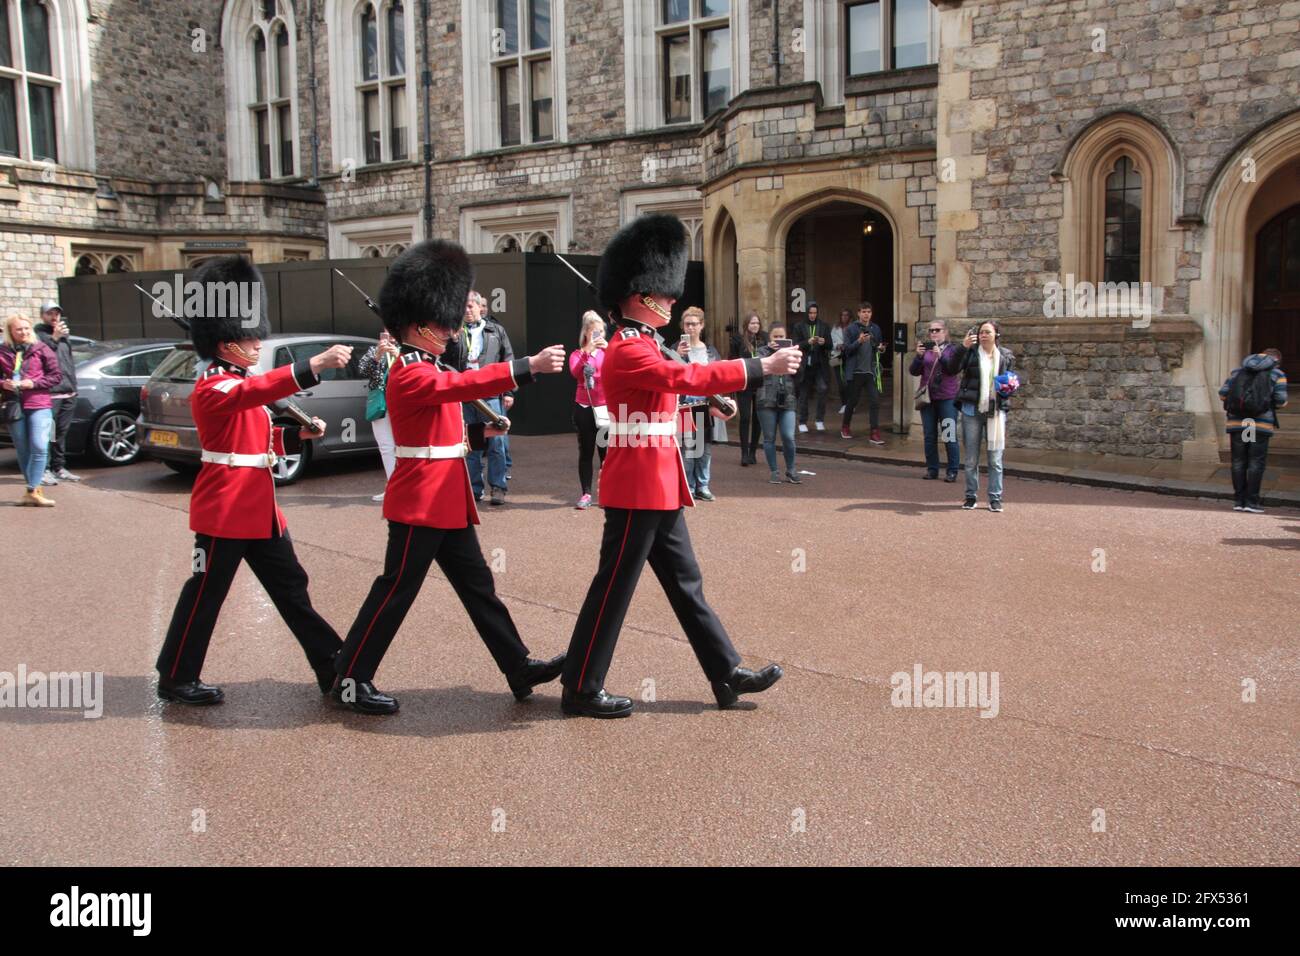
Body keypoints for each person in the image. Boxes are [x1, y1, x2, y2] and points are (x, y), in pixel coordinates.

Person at [559, 213, 800, 719]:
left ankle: (725, 671)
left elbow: (668, 388)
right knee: (614, 588)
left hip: (660, 483)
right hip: (636, 485)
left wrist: (703, 401)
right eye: (666, 295)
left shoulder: (642, 343)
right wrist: (759, 368)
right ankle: (580, 687)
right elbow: (681, 375)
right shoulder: (625, 349)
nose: (673, 300)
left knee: (686, 582)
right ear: (645, 295)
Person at [332, 241, 567, 715]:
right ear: (421, 325)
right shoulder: (407, 372)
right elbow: (461, 385)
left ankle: (518, 666)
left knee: (479, 589)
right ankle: (350, 679)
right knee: (395, 591)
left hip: (447, 498)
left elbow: (457, 390)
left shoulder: (429, 362)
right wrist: (527, 367)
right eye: (444, 323)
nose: (452, 329)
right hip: (421, 499)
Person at [152, 257, 349, 706]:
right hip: (225, 511)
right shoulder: (214, 385)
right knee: (206, 593)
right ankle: (176, 675)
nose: (258, 342)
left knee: (292, 588)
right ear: (226, 343)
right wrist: (312, 364)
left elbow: (251, 437)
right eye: (249, 336)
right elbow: (248, 397)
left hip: (259, 510)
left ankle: (330, 664)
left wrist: (295, 434)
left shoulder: (238, 378)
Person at [943, 320, 1017, 512]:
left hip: (995, 411)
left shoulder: (1006, 355)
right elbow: (951, 369)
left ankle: (995, 498)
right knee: (971, 459)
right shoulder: (971, 352)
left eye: (987, 332)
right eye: (981, 332)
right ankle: (970, 496)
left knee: (995, 459)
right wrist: (962, 347)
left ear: (996, 335)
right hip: (972, 410)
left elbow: (1011, 380)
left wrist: (1010, 386)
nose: (983, 335)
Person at [1, 313, 61, 507]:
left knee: (39, 446)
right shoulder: (2, 352)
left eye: (27, 328)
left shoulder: (41, 349)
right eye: (19, 329)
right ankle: (34, 491)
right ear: (11, 331)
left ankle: (32, 489)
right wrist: (4, 384)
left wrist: (32, 383)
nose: (24, 332)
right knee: (23, 449)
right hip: (14, 406)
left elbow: (56, 376)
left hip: (39, 404)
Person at [461, 290, 515, 506]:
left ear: (478, 307)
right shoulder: (456, 332)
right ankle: (474, 489)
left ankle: (498, 487)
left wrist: (509, 392)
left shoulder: (496, 330)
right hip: (466, 395)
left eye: (470, 307)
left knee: (497, 442)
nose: (467, 311)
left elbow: (508, 360)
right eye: (463, 308)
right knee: (470, 444)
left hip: (491, 394)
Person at [1219, 347, 1288, 513]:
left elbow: (1223, 394)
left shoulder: (1237, 372)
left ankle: (1239, 501)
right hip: (1259, 424)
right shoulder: (1277, 375)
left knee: (1239, 461)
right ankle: (1252, 502)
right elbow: (1280, 401)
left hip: (1239, 423)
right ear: (1275, 361)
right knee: (1255, 462)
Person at [33, 301, 80, 484]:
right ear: (42, 315)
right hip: (51, 395)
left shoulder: (62, 336)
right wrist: (54, 337)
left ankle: (59, 467)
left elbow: (67, 362)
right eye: (50, 314)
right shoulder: (39, 336)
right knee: (47, 434)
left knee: (60, 433)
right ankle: (43, 469)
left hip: (68, 392)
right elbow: (42, 358)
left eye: (57, 314)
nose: (54, 317)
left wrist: (74, 387)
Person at [677, 305, 721, 501]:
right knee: (688, 448)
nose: (691, 328)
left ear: (701, 325)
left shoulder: (710, 351)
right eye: (687, 324)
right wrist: (677, 354)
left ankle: (703, 485)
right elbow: (668, 373)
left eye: (694, 324)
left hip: (704, 404)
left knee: (704, 448)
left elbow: (719, 375)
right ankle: (689, 485)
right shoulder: (675, 348)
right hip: (686, 405)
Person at [908, 319, 961, 482]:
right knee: (929, 435)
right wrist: (918, 356)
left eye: (937, 330)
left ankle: (952, 471)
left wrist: (941, 356)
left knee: (948, 435)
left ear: (945, 332)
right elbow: (914, 371)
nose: (933, 333)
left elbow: (953, 369)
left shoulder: (953, 350)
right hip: (928, 399)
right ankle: (932, 469)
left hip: (947, 399)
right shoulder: (927, 350)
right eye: (931, 330)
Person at [570, 310, 608, 509]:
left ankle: (607, 492)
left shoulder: (607, 353)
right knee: (586, 451)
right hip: (584, 407)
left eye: (601, 332)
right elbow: (576, 373)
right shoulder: (577, 354)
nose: (598, 336)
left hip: (604, 408)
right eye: (595, 332)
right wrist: (588, 352)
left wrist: (609, 350)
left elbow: (617, 370)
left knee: (606, 452)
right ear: (586, 333)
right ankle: (586, 493)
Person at [756, 322, 801, 484]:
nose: (779, 339)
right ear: (770, 338)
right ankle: (774, 471)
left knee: (789, 436)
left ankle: (791, 470)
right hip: (766, 399)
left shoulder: (792, 352)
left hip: (787, 398)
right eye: (776, 336)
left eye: (782, 337)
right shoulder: (762, 351)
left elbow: (799, 374)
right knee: (769, 438)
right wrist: (771, 351)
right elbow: (758, 369)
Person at [359, 330, 400, 502]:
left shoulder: (407, 350)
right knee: (386, 446)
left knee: (404, 445)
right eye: (385, 331)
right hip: (381, 403)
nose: (389, 335)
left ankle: (407, 486)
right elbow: (362, 370)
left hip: (402, 403)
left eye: (392, 331)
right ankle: (393, 487)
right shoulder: (373, 350)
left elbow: (418, 370)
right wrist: (377, 356)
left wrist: (398, 355)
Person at [840, 301, 885, 444]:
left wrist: (881, 348)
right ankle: (845, 426)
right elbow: (847, 350)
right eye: (864, 312)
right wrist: (858, 341)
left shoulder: (875, 328)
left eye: (869, 312)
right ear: (859, 313)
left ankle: (874, 432)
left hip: (870, 371)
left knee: (874, 401)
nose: (866, 314)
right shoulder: (851, 329)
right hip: (855, 372)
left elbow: (877, 346)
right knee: (852, 401)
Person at [729, 312, 765, 466]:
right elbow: (732, 359)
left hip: (760, 382)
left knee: (758, 418)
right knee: (745, 417)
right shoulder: (738, 339)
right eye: (752, 323)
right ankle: (744, 453)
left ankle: (753, 452)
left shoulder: (764, 339)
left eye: (757, 323)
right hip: (744, 382)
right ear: (746, 325)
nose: (755, 326)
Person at [793, 302, 830, 432]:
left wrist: (824, 342)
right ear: (807, 313)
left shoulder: (824, 326)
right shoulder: (799, 326)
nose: (813, 315)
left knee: (823, 389)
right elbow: (796, 344)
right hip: (805, 365)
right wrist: (807, 342)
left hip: (819, 364)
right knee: (803, 393)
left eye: (815, 313)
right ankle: (802, 421)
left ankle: (819, 419)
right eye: (810, 313)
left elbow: (829, 345)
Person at [830, 307, 852, 413]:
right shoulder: (836, 328)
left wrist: (846, 346)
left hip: (849, 357)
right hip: (838, 356)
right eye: (843, 315)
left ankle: (850, 404)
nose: (844, 317)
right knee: (840, 382)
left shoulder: (853, 327)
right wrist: (837, 345)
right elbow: (831, 341)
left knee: (848, 382)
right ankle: (844, 404)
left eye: (846, 315)